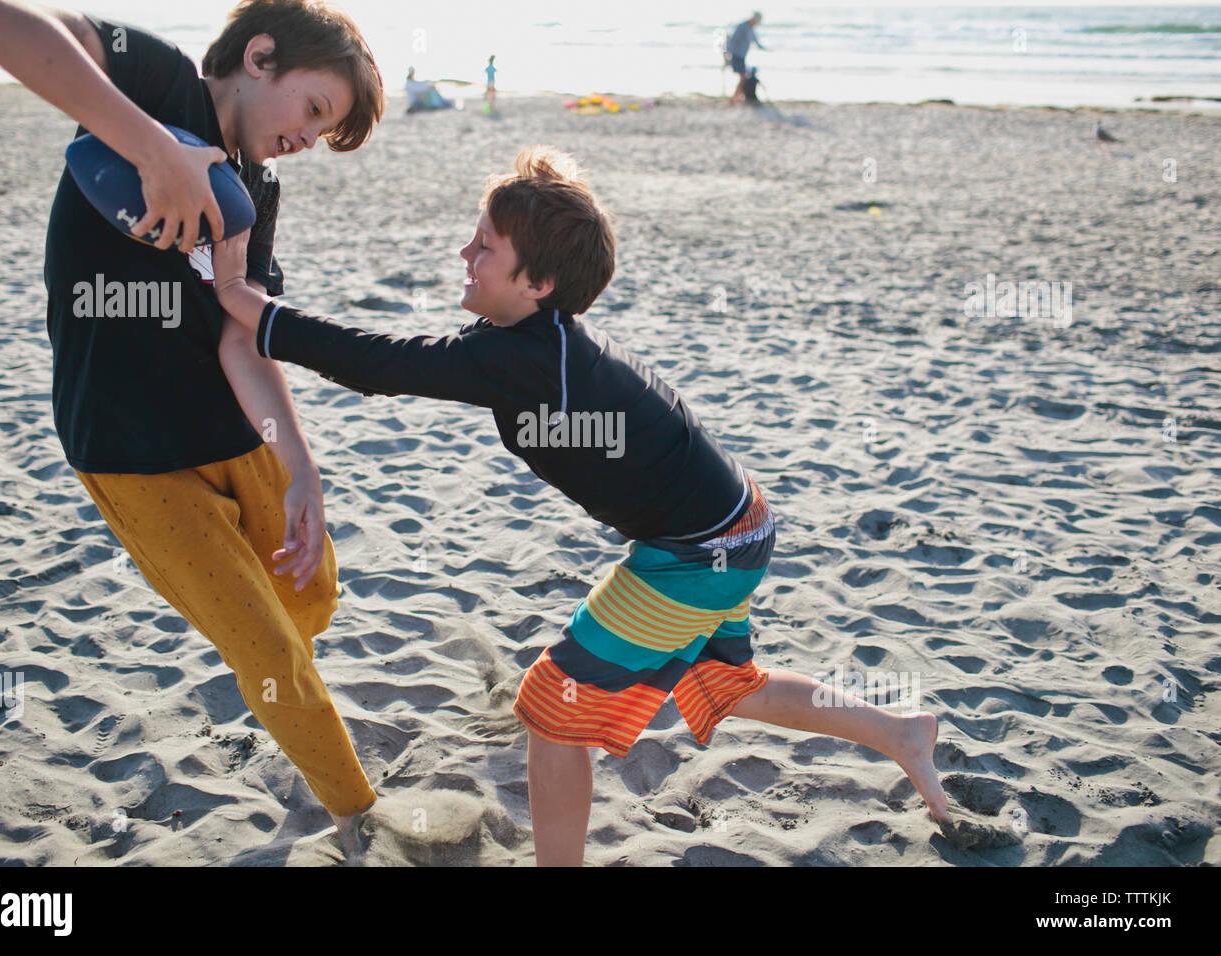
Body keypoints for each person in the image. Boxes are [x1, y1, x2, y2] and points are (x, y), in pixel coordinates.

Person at [209, 145, 951, 866]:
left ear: (538, 283)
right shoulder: (533, 340)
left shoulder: (525, 357)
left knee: (550, 709)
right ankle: (897, 733)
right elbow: (399, 358)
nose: (465, 256)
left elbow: (378, 364)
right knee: (723, 684)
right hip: (735, 524)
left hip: (699, 550)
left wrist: (252, 305)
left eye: (485, 248)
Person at [0, 0, 386, 849]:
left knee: (312, 595)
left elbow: (240, 339)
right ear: (259, 56)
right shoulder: (161, 83)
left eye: (324, 132)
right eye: (314, 111)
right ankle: (361, 820)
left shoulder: (258, 187)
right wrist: (156, 152)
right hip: (130, 451)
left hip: (230, 432)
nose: (307, 139)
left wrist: (302, 466)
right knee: (269, 654)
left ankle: (294, 697)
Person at [725, 10, 765, 79]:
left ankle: (739, 90)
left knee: (743, 76)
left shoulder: (750, 28)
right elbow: (733, 39)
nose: (756, 24)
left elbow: (756, 41)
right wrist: (728, 54)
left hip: (742, 55)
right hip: (736, 54)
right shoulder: (742, 26)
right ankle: (738, 90)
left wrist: (765, 48)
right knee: (743, 75)